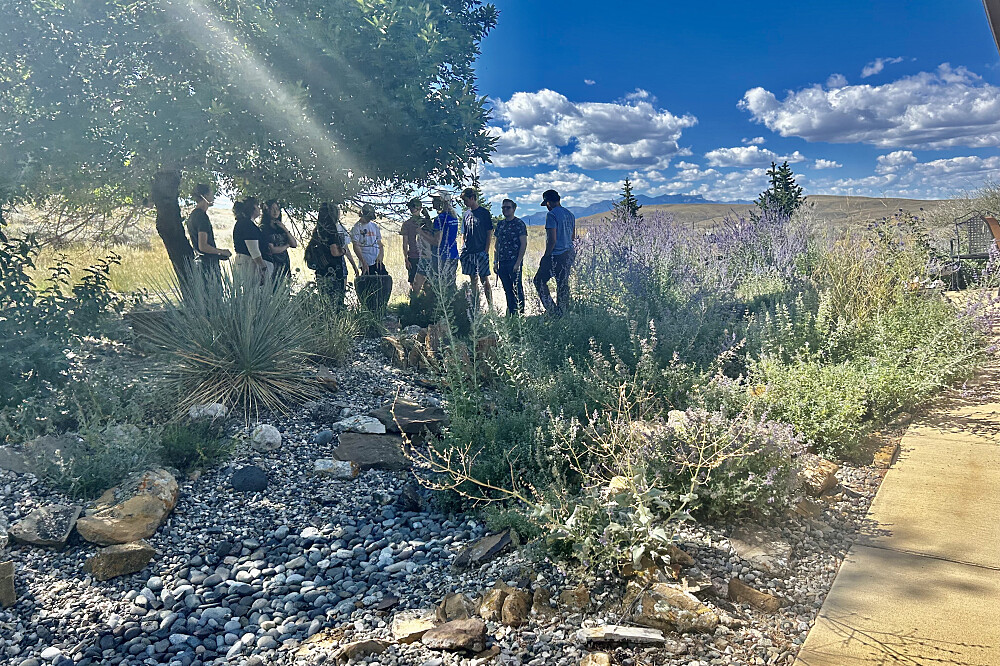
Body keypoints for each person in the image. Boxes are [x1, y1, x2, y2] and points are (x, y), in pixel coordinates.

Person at [533, 189, 576, 316]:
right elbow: (573, 237)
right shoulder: (570, 214)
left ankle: (552, 310)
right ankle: (563, 311)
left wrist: (546, 256)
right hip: (569, 253)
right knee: (562, 283)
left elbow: (552, 239)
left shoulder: (552, 215)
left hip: (556, 255)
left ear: (548, 203)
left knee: (539, 280)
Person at [185, 184, 231, 289]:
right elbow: (203, 246)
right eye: (211, 194)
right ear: (205, 195)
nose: (213, 197)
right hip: (208, 265)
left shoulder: (193, 216)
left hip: (201, 263)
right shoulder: (201, 217)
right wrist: (222, 251)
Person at [459, 187, 494, 310]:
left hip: (480, 251)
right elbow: (463, 232)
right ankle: (476, 306)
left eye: (466, 200)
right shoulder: (466, 214)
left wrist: (486, 250)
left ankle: (491, 306)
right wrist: (462, 247)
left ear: (472, 198)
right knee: (473, 279)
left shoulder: (484, 213)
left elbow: (489, 232)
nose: (465, 203)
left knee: (484, 279)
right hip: (468, 251)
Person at [311, 202, 351, 309]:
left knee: (325, 301)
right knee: (336, 302)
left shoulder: (318, 230)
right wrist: (343, 251)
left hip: (321, 270)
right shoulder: (331, 229)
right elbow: (335, 251)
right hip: (333, 271)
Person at [493, 198, 527, 315]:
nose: (505, 210)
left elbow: (523, 244)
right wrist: (495, 261)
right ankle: (511, 312)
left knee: (517, 288)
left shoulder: (519, 224)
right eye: (503, 208)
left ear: (514, 209)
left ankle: (520, 313)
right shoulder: (501, 224)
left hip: (514, 261)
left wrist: (518, 262)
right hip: (502, 261)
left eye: (508, 207)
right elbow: (496, 244)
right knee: (507, 289)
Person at [232, 197, 271, 283]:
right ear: (252, 208)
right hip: (249, 264)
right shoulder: (247, 225)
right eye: (257, 206)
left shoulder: (245, 223)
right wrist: (262, 267)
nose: (259, 208)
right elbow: (254, 250)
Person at [260, 199, 297, 281]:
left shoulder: (280, 227)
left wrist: (285, 229)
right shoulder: (264, 228)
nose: (275, 211)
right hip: (273, 264)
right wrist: (287, 245)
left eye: (277, 209)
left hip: (284, 264)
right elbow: (272, 249)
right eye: (272, 209)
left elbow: (294, 244)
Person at [431, 193, 460, 288]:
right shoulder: (453, 216)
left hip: (443, 255)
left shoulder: (440, 218)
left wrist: (421, 233)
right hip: (453, 254)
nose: (432, 202)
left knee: (442, 285)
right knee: (451, 283)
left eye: (435, 200)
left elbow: (436, 241)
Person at [399, 197, 428, 291]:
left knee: (427, 283)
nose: (411, 209)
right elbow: (404, 243)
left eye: (413, 206)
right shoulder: (407, 224)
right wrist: (406, 259)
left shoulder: (425, 222)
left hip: (425, 256)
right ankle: (414, 302)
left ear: (419, 207)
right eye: (410, 207)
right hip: (413, 256)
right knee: (413, 283)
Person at [350, 203, 387, 275]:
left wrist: (380, 256)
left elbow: (380, 243)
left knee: (384, 279)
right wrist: (363, 262)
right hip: (366, 261)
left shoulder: (374, 226)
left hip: (376, 260)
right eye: (368, 218)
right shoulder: (356, 228)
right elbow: (356, 246)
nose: (369, 220)